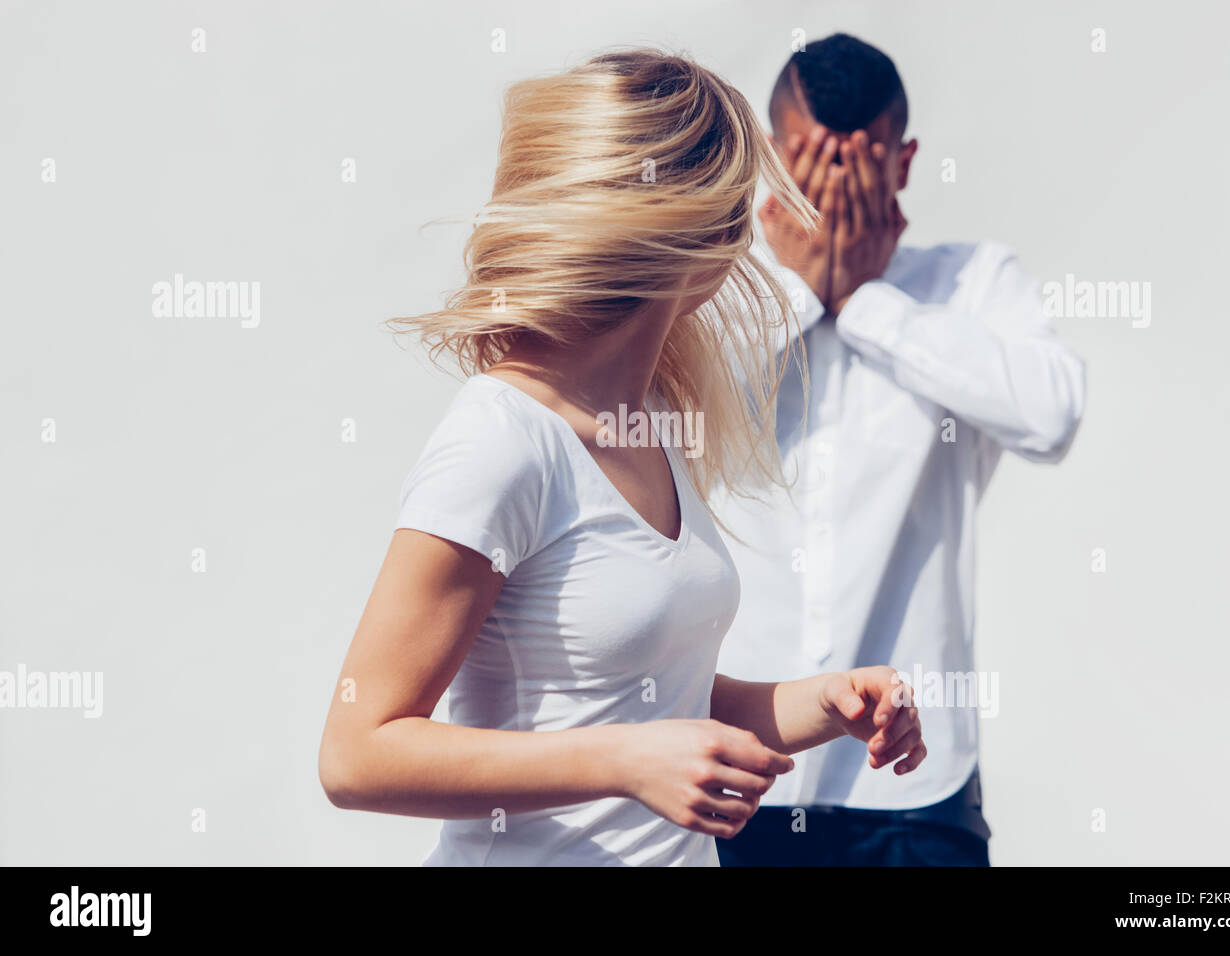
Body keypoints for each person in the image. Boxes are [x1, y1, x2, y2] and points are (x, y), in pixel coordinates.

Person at [317, 49, 926, 867]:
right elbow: (357, 753)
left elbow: (651, 704)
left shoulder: (654, 425)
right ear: (706, 232)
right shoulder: (501, 440)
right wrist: (623, 761)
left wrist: (822, 702)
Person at [713, 33, 1086, 867]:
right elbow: (668, 410)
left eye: (860, 161)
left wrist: (868, 302)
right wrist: (806, 291)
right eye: (811, 161)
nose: (832, 189)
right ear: (774, 162)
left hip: (916, 789)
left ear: (905, 162)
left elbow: (1052, 414)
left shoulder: (971, 283)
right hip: (737, 764)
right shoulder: (720, 291)